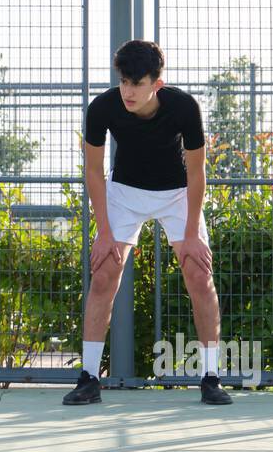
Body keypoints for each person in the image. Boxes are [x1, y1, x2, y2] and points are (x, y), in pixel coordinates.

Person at [64, 40, 231, 406]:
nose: (127, 91)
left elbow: (198, 172)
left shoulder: (185, 108)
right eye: (123, 81)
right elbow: (93, 172)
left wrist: (191, 236)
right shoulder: (102, 108)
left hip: (177, 192)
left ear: (157, 81)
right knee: (105, 272)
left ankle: (211, 377)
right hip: (123, 191)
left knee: (199, 273)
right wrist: (104, 233)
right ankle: (89, 378)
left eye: (136, 83)